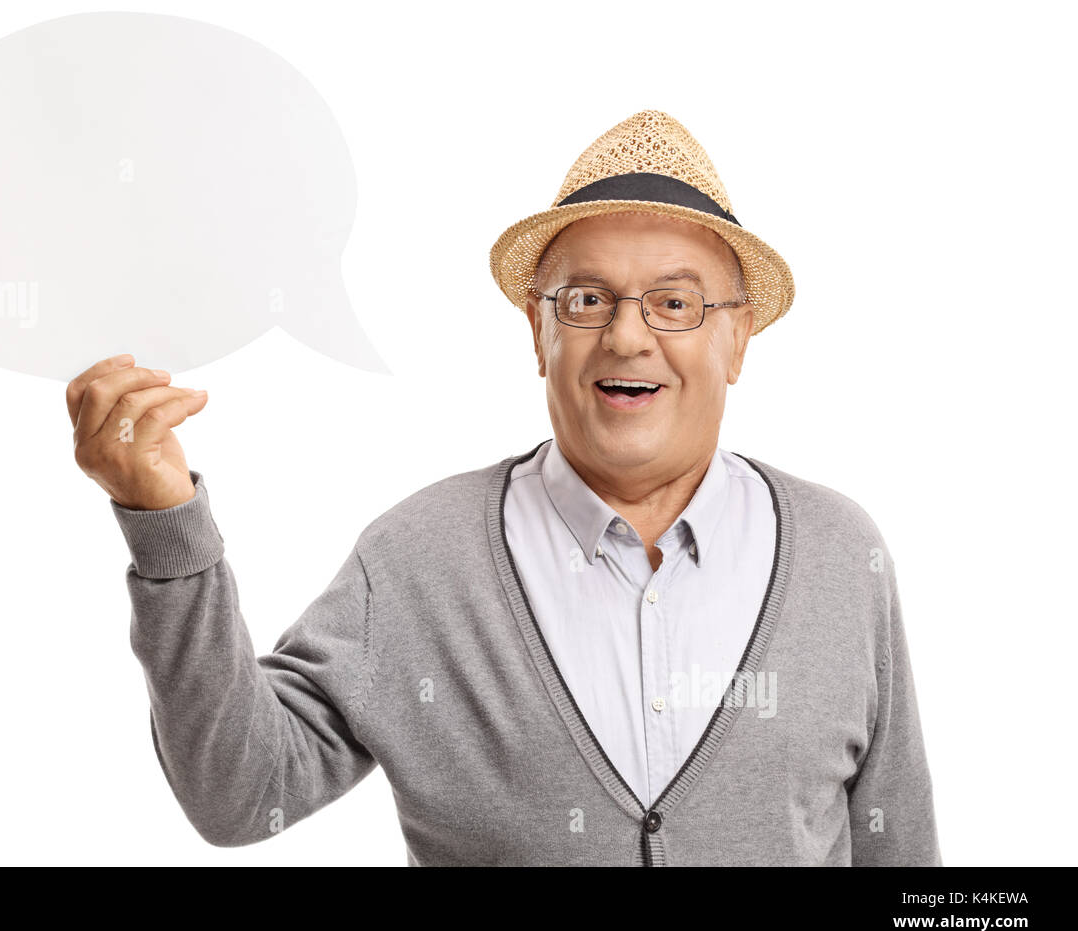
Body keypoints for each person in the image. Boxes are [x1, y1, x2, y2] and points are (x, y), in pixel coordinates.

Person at [67, 109, 940, 865]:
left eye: (675, 304)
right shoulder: (418, 560)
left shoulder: (837, 554)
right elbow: (240, 791)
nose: (628, 337)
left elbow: (902, 857)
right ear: (538, 332)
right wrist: (166, 525)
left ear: (737, 339)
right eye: (586, 300)